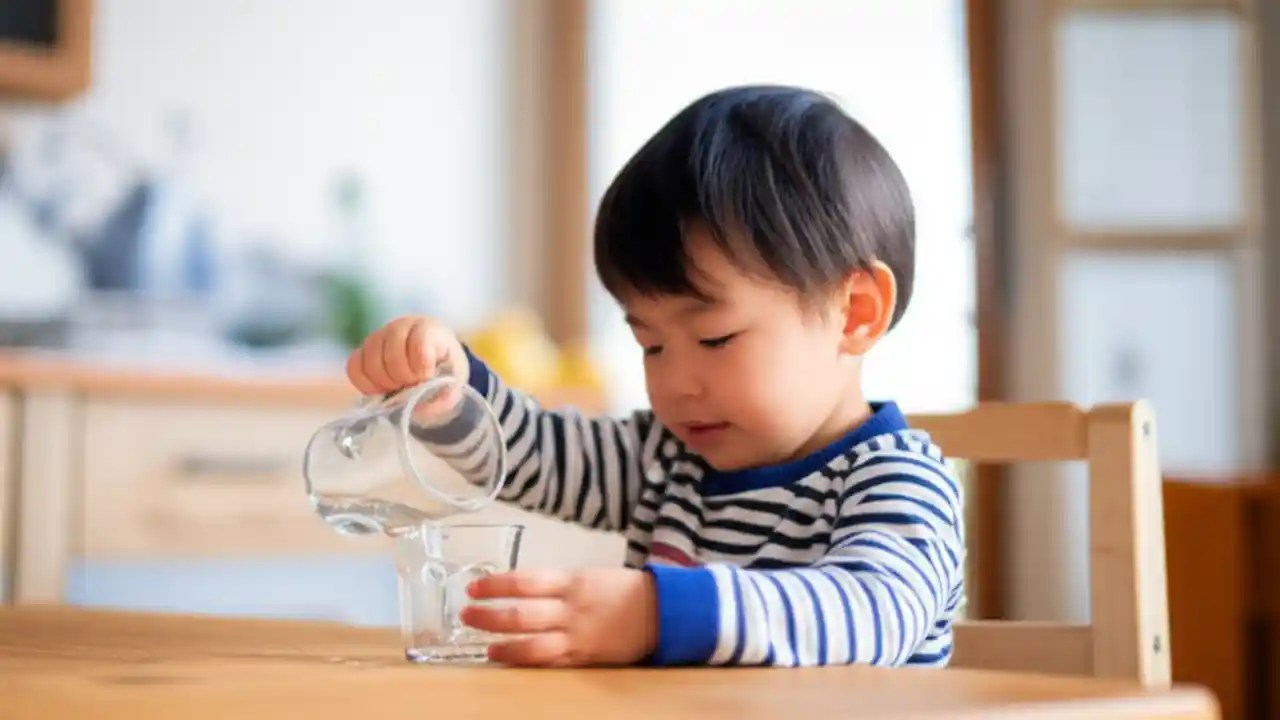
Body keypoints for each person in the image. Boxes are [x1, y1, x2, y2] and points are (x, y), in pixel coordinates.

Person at [346, 85, 964, 668]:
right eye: (651, 345)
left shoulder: (897, 481)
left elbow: (872, 611)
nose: (677, 384)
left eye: (716, 338)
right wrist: (455, 392)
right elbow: (531, 457)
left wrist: (658, 614)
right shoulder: (670, 459)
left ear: (854, 312)